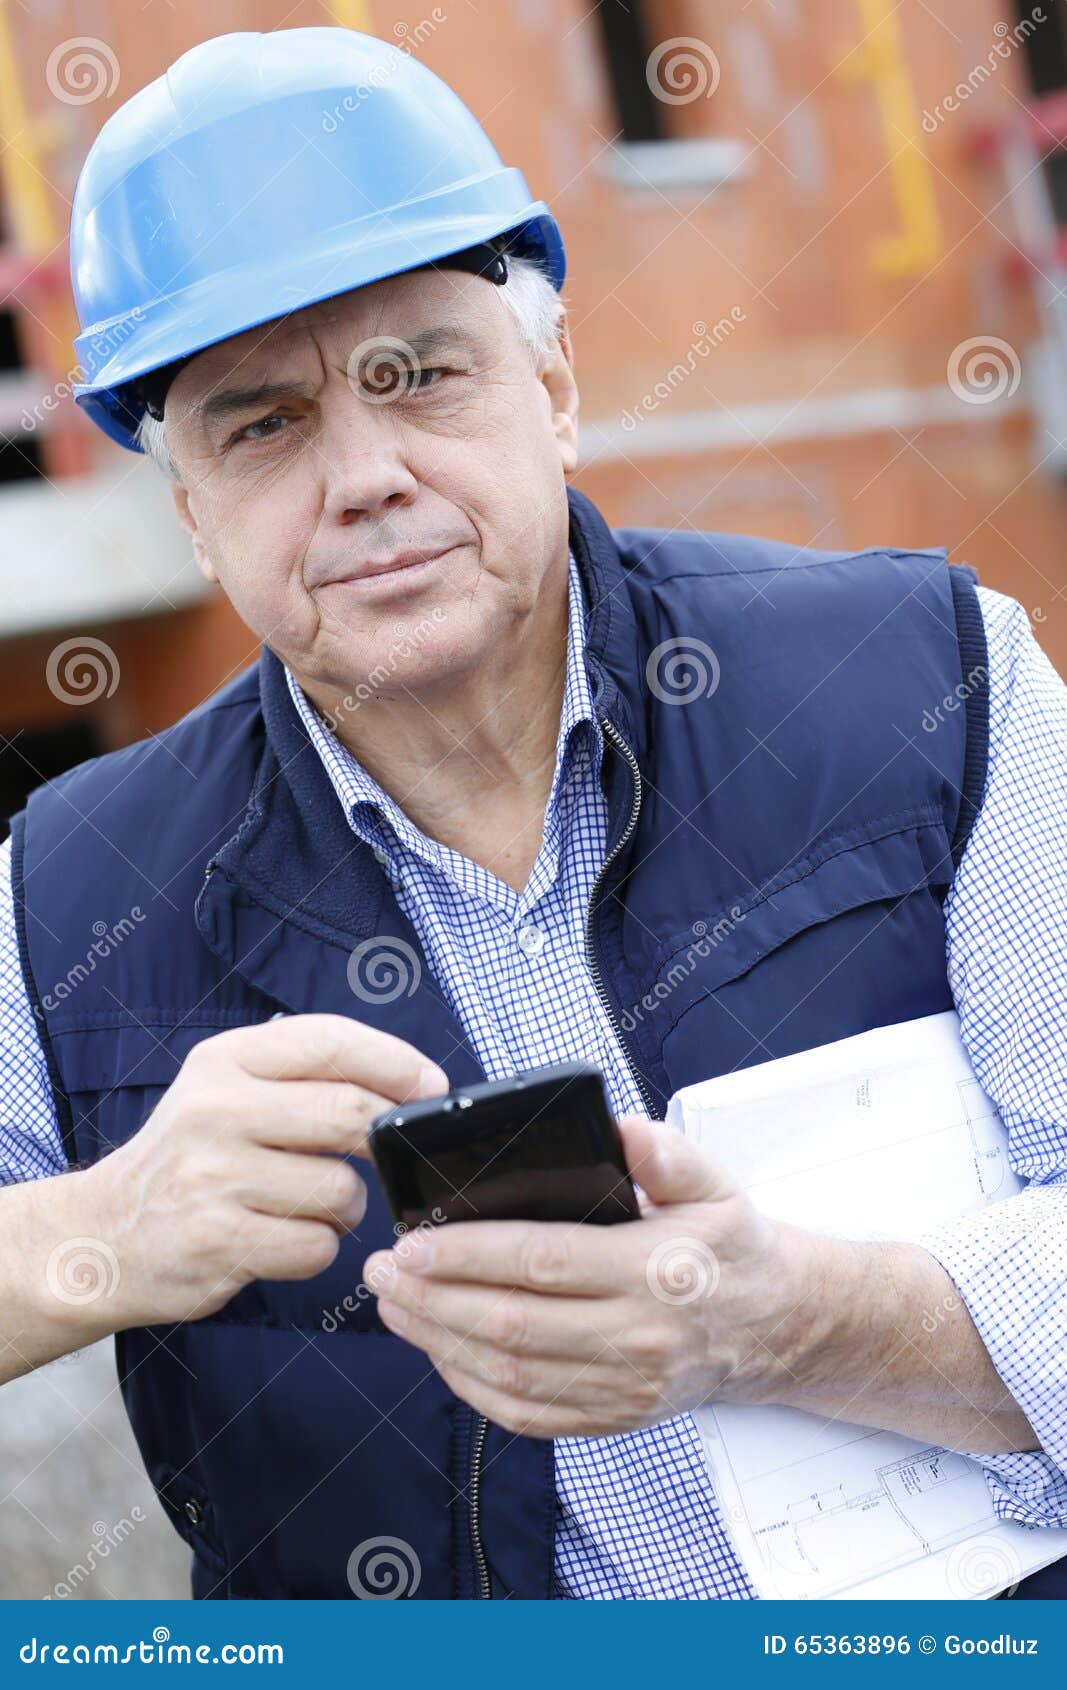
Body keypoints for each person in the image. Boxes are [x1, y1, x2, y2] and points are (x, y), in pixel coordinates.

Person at [3, 26, 1066, 1601]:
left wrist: (802, 1317)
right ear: (193, 511)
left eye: (419, 373)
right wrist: (93, 1229)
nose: (363, 473)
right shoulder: (63, 893)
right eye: (261, 422)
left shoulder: (931, 682)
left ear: (554, 386)